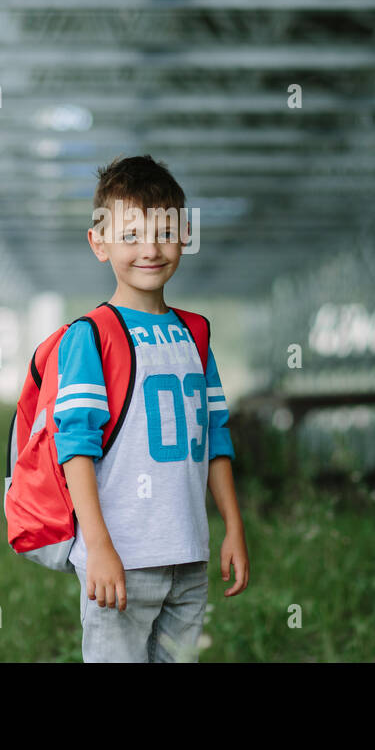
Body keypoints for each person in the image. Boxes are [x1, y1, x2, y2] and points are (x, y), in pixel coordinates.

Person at [54, 154, 249, 663]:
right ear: (100, 243)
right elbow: (75, 446)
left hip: (189, 557)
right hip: (122, 558)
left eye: (164, 232)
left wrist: (232, 526)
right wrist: (97, 546)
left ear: (184, 236)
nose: (151, 249)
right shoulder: (91, 337)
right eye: (132, 235)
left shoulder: (195, 333)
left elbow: (215, 435)